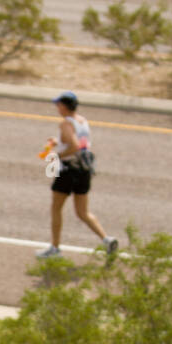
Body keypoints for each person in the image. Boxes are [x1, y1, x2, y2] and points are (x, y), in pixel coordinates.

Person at [36, 91, 117, 260]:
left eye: (58, 104)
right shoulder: (82, 121)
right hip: (84, 170)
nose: (57, 107)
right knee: (82, 212)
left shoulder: (66, 124)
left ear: (64, 106)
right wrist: (58, 142)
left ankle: (55, 248)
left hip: (69, 170)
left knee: (56, 208)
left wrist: (56, 156)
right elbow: (79, 142)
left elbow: (74, 146)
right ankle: (106, 239)